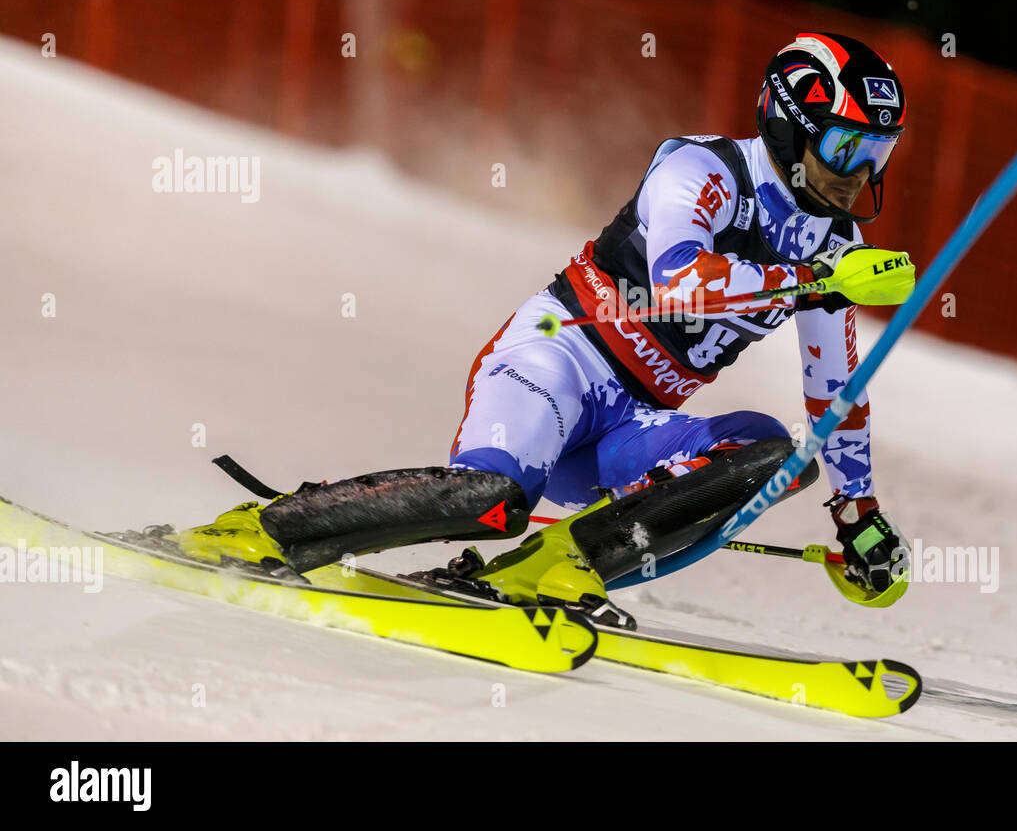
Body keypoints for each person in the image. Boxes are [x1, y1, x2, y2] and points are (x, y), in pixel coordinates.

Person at [171, 33, 918, 626]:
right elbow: (679, 284)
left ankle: (552, 567)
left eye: (877, 154)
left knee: (777, 454)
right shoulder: (701, 172)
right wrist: (817, 280)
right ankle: (269, 529)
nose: (858, 174)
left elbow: (837, 395)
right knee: (492, 499)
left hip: (631, 424)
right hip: (560, 361)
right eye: (845, 147)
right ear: (789, 128)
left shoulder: (833, 246)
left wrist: (859, 515)